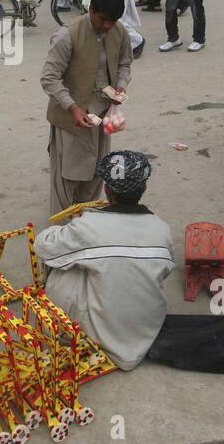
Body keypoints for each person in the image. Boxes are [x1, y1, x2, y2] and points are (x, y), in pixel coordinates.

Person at [33, 150, 174, 371]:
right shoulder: (162, 229)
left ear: (107, 189)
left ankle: (72, 334)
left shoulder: (89, 227)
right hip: (148, 328)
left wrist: (73, 226)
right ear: (143, 189)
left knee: (64, 266)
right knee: (105, 263)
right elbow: (165, 270)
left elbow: (42, 246)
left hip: (102, 335)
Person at [41, 0, 133, 216]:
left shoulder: (119, 31)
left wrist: (121, 84)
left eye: (113, 21)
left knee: (97, 170)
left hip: (102, 116)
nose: (107, 26)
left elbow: (125, 63)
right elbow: (49, 78)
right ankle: (62, 229)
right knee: (68, 175)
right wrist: (72, 107)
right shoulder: (68, 35)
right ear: (91, 10)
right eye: (103, 19)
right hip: (70, 118)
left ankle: (87, 220)